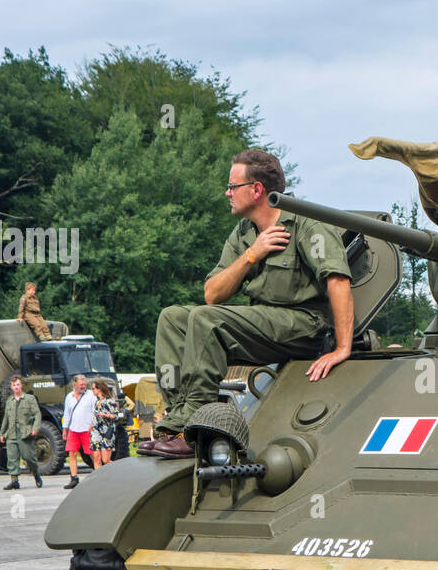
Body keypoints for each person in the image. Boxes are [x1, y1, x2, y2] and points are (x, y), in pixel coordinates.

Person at [141, 148, 356, 459]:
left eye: (232, 186)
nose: (227, 193)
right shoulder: (244, 233)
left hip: (304, 326)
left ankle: (195, 427)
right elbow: (212, 294)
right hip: (264, 325)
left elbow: (337, 281)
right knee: (172, 317)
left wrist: (342, 348)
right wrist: (251, 255)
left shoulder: (307, 224)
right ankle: (178, 421)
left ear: (257, 190)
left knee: (206, 320)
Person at [0, 372, 42, 489]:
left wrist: (35, 428)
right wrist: (2, 433)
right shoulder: (9, 401)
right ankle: (14, 480)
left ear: (21, 385)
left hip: (25, 433)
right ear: (11, 387)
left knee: (29, 457)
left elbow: (37, 414)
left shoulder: (29, 399)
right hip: (12, 432)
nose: (16, 387)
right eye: (14, 385)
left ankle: (36, 474)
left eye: (18, 384)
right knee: (12, 458)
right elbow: (6, 418)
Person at [61, 373, 94, 488]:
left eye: (84, 384)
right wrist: (65, 428)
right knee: (72, 453)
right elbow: (67, 414)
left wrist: (92, 425)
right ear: (74, 385)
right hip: (73, 429)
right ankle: (74, 478)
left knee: (92, 453)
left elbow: (95, 410)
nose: (83, 386)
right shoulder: (69, 397)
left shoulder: (90, 395)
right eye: (81, 384)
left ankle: (99, 473)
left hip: (87, 429)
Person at [90, 378, 119, 469]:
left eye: (93, 389)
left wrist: (106, 415)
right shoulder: (96, 402)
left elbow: (116, 416)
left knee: (106, 460)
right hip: (96, 431)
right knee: (96, 459)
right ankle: (99, 479)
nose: (92, 391)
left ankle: (118, 470)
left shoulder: (109, 401)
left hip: (107, 431)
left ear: (99, 389)